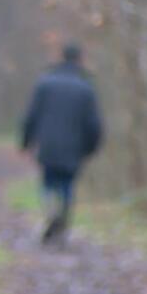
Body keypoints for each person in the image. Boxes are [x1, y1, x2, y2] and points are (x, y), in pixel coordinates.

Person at [20, 43, 104, 246]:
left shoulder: (45, 83)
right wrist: (90, 148)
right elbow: (94, 124)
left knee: (48, 181)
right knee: (67, 184)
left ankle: (50, 210)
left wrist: (26, 141)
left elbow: (31, 116)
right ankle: (62, 220)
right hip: (74, 149)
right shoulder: (86, 88)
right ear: (79, 59)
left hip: (48, 145)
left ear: (61, 57)